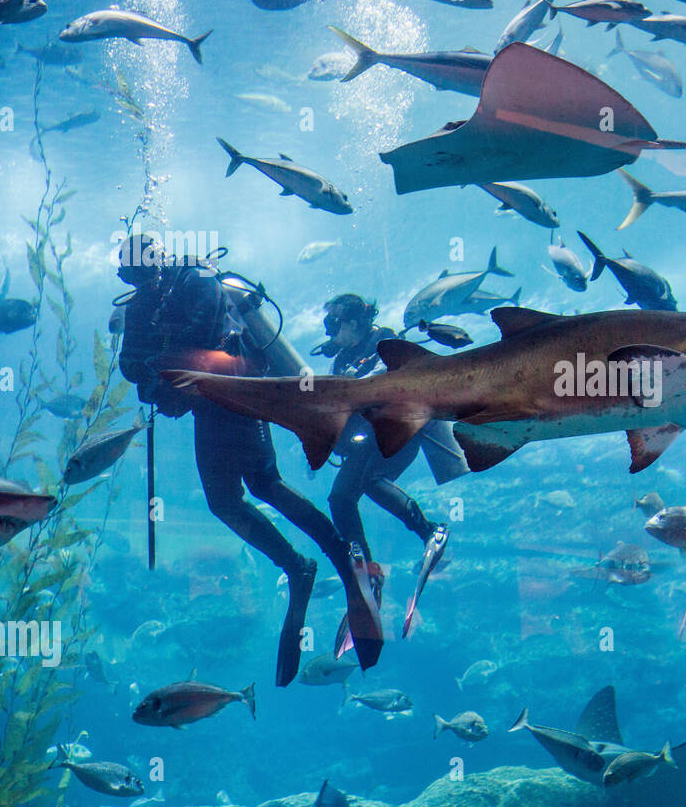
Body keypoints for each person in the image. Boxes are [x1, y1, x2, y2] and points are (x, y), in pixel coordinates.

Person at [115, 234, 381, 684]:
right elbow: (130, 363)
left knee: (265, 485)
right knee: (226, 501)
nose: (143, 283)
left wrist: (157, 366)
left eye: (146, 272)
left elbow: (194, 342)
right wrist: (157, 366)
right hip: (206, 406)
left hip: (238, 394)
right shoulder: (143, 304)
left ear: (160, 262)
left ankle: (333, 557)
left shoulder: (198, 282)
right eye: (134, 277)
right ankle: (301, 565)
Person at [314, 294, 466, 573]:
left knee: (372, 480)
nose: (329, 331)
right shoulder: (341, 358)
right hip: (366, 440)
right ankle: (363, 566)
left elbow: (383, 381)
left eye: (333, 324)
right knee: (340, 497)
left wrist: (347, 386)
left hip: (402, 426)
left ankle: (431, 532)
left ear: (353, 322)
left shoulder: (387, 342)